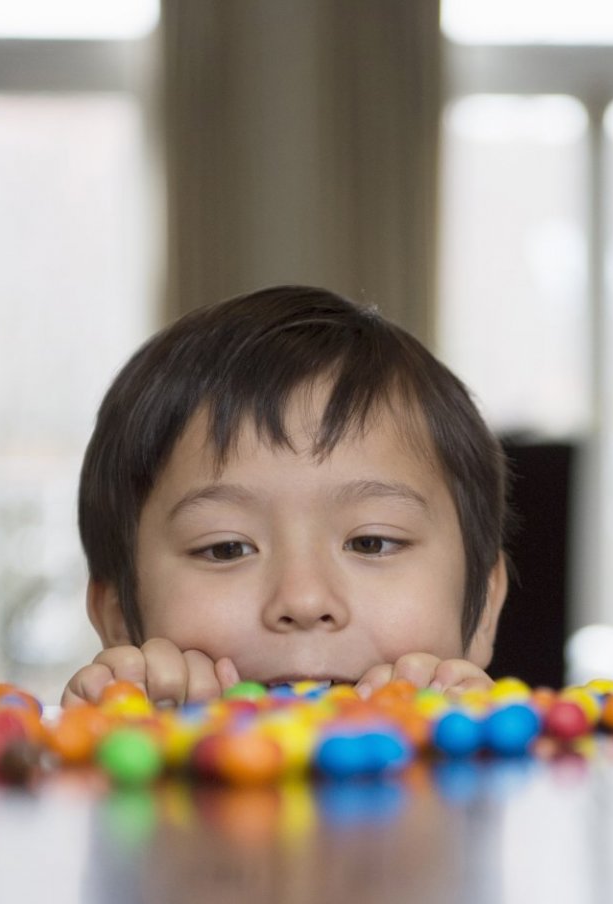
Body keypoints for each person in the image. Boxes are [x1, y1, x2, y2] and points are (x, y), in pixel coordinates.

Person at [61, 285, 509, 707]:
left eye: (371, 542)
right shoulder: (107, 745)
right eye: (226, 548)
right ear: (118, 617)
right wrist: (125, 731)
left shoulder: (515, 749)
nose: (303, 601)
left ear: (484, 606)